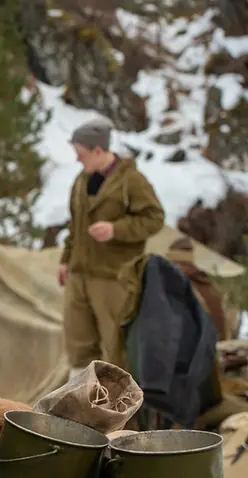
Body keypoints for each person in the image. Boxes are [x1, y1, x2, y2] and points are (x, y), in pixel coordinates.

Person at [58, 118, 164, 372]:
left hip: (114, 278)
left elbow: (154, 219)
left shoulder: (132, 181)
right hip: (79, 275)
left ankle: (122, 407)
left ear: (98, 151)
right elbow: (76, 225)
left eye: (81, 154)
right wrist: (65, 259)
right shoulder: (81, 181)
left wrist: (116, 230)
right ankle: (81, 403)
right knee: (78, 346)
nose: (77, 160)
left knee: (118, 347)